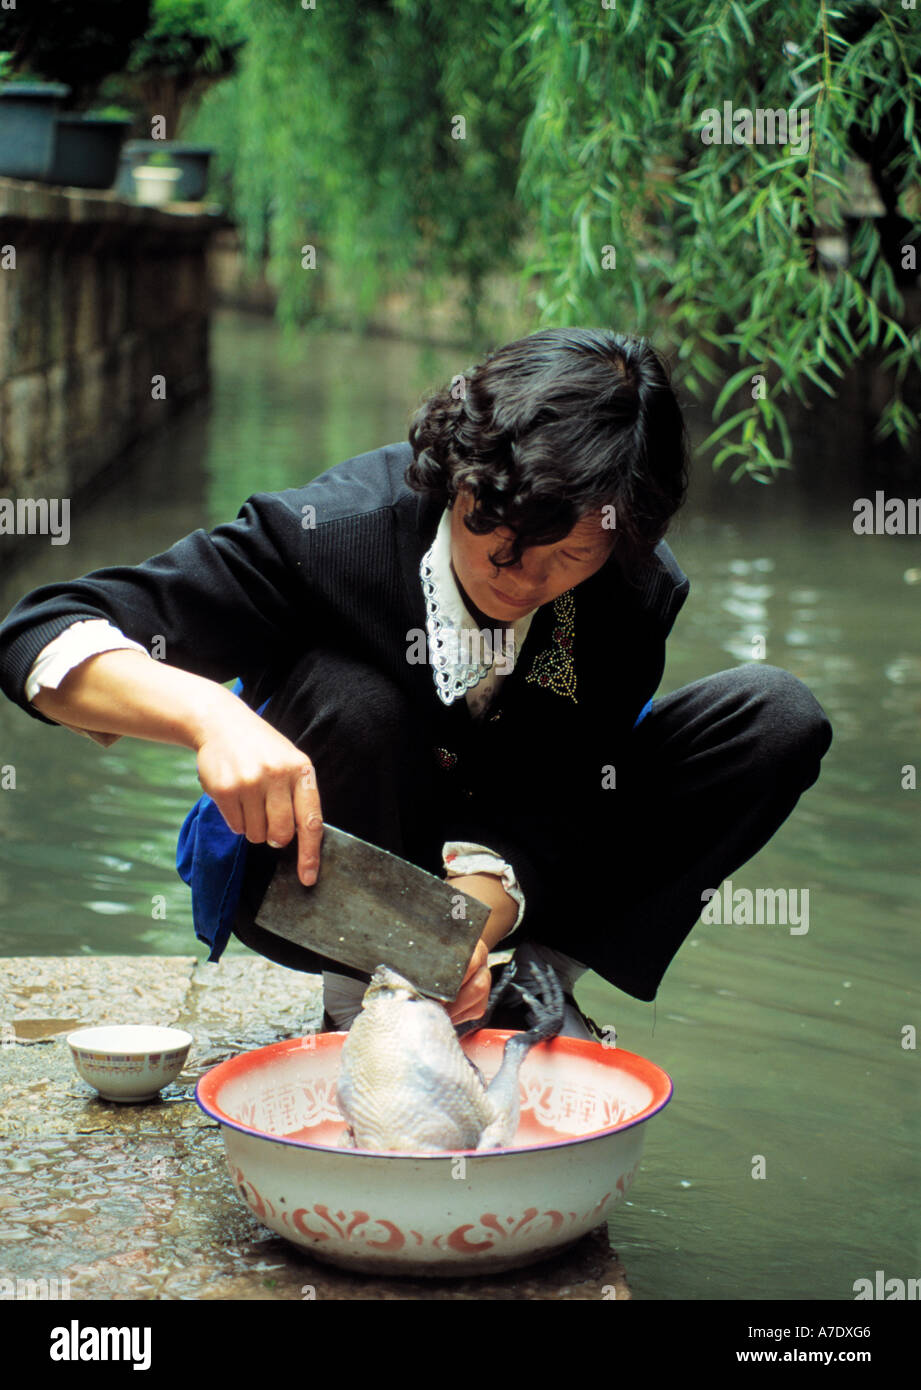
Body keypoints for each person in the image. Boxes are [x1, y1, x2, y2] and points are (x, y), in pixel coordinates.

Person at [0, 327, 832, 1037]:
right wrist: (211, 716)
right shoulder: (334, 532)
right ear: (455, 474)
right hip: (308, 858)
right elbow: (41, 632)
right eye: (493, 530)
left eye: (567, 557)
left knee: (774, 716)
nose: (518, 574)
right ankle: (357, 991)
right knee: (352, 698)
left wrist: (474, 916)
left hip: (515, 854)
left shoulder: (631, 590)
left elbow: (572, 792)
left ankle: (534, 977)